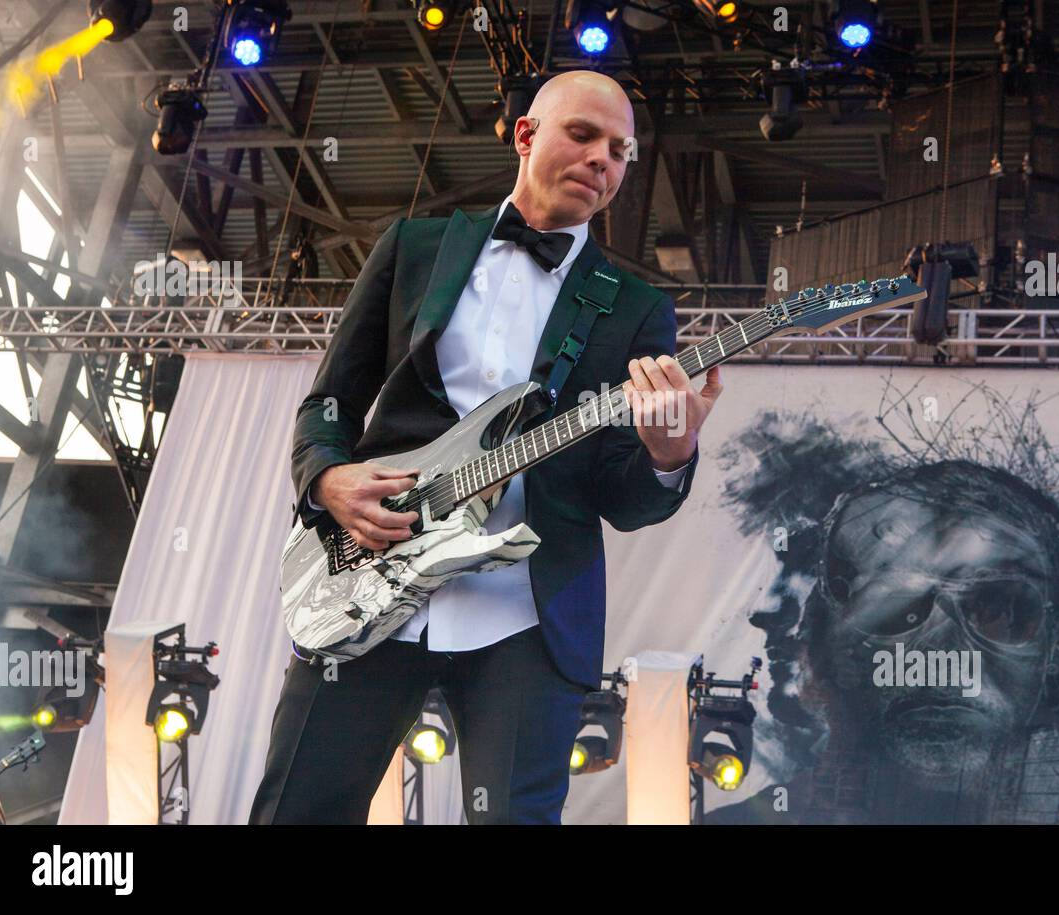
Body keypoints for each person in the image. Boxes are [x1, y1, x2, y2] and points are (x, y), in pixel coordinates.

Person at [249, 70, 723, 824]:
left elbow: (621, 497)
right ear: (526, 134)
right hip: (368, 584)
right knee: (297, 810)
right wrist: (329, 479)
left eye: (621, 150)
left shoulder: (635, 308)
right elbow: (330, 401)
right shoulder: (415, 245)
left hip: (524, 618)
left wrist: (668, 455)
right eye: (583, 134)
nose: (605, 159)